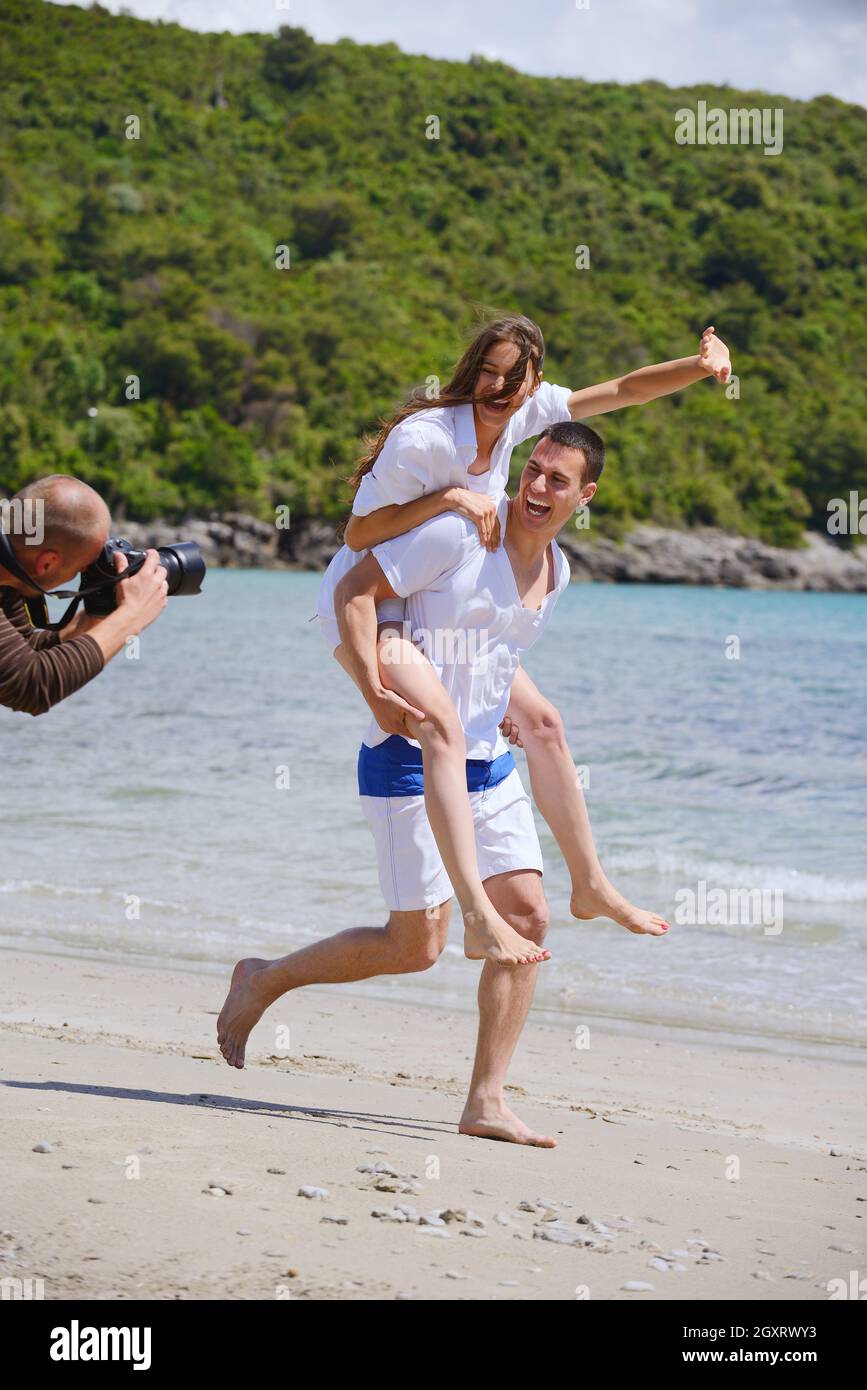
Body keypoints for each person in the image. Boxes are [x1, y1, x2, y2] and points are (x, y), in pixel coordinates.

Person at [219, 421, 659, 1146]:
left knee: (531, 915)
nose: (538, 486)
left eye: (558, 479)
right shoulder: (460, 538)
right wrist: (381, 675)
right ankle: (265, 977)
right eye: (534, 468)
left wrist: (512, 709)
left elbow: (490, 650)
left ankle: (485, 1099)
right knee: (415, 948)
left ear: (586, 495)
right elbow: (355, 591)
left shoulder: (558, 571)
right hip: (406, 757)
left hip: (486, 762)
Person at [316, 314, 731, 960]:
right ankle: (478, 916)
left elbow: (621, 391)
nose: (498, 386)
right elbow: (358, 537)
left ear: (531, 381)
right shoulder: (424, 439)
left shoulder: (525, 414)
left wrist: (698, 367)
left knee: (542, 723)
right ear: (470, 368)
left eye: (513, 376)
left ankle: (590, 884)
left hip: (438, 595)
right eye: (488, 370)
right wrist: (451, 498)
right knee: (442, 728)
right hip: (372, 603)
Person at [0, 475, 168, 715]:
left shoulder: (7, 574)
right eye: (80, 569)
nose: (80, 576)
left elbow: (21, 651)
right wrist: (132, 615)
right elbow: (29, 686)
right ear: (47, 563)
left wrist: (94, 619)